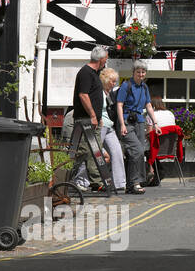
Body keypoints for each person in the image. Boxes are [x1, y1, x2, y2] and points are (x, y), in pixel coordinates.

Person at [67, 46, 109, 192]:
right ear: (101, 58)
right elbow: (83, 95)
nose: (106, 61)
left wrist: (98, 117)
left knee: (94, 151)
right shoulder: (86, 73)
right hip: (85, 119)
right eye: (106, 58)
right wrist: (92, 115)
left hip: (93, 120)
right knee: (84, 151)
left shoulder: (94, 73)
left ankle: (96, 182)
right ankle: (66, 178)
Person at [116, 62, 157, 193]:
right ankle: (136, 182)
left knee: (136, 154)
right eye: (138, 72)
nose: (141, 74)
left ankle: (130, 185)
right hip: (127, 121)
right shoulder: (126, 85)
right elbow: (119, 105)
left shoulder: (144, 87)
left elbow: (149, 105)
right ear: (133, 72)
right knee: (137, 150)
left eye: (143, 72)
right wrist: (122, 124)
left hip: (139, 121)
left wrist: (155, 123)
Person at [97, 67, 128, 194]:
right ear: (105, 80)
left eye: (115, 81)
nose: (114, 84)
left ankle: (120, 183)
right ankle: (80, 181)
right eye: (113, 81)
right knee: (94, 153)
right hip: (100, 125)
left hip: (109, 126)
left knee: (117, 152)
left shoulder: (108, 93)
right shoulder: (98, 92)